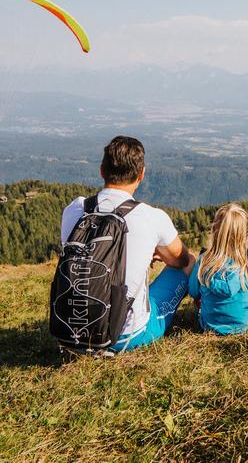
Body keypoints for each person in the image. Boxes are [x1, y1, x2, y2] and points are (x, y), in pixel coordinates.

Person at [60, 135, 194, 353]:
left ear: (102, 171)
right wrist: (148, 253)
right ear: (141, 174)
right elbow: (181, 260)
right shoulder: (152, 217)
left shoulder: (75, 209)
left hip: (71, 331)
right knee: (190, 262)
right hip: (127, 337)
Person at [188, 204, 248, 335]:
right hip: (246, 326)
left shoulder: (203, 261)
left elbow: (193, 292)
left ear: (215, 230)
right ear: (244, 234)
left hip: (209, 327)